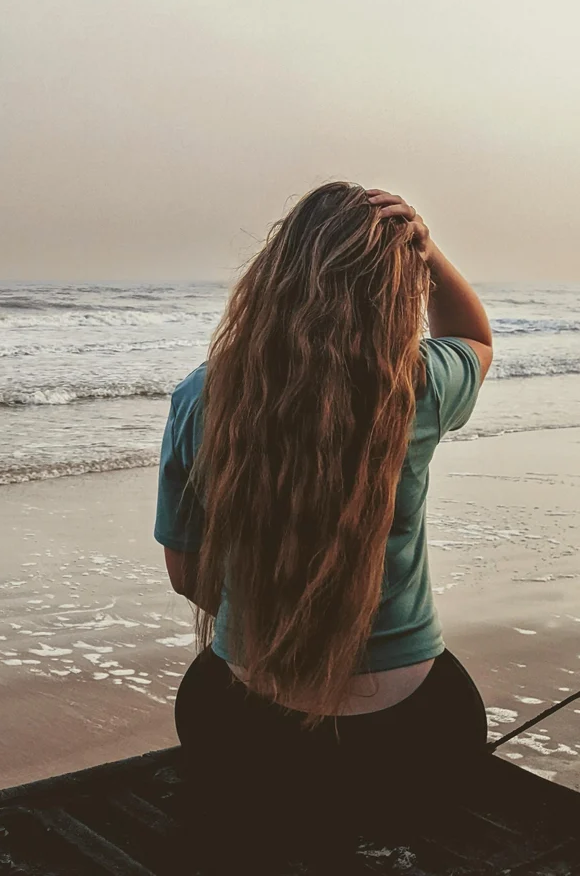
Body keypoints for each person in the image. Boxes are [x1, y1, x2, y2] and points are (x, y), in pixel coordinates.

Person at [155, 183, 493, 872]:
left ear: (275, 273)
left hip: (247, 731)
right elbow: (476, 338)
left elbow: (187, 576)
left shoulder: (203, 396)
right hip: (419, 733)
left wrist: (282, 625)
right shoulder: (418, 387)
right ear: (398, 289)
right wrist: (429, 252)